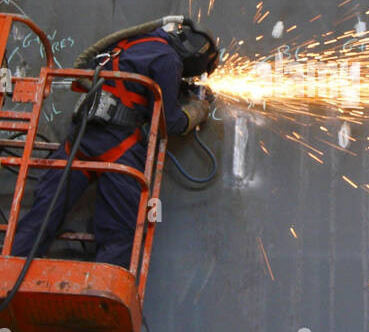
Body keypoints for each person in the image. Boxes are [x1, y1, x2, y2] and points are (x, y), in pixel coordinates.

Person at [11, 17, 218, 266]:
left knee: (43, 214)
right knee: (121, 232)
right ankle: (102, 295)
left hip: (81, 139)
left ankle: (7, 271)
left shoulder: (136, 40)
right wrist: (197, 110)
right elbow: (170, 121)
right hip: (119, 146)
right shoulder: (168, 59)